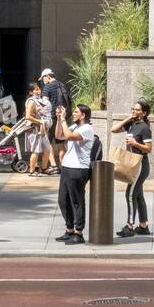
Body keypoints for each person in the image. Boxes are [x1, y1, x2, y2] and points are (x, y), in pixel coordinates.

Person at [55, 103, 96, 245]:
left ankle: (79, 232)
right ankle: (69, 229)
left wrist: (64, 120)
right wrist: (60, 119)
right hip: (67, 167)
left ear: (83, 115)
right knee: (63, 200)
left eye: (76, 112)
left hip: (78, 169)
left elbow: (69, 136)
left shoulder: (87, 129)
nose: (73, 113)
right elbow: (59, 135)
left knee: (77, 202)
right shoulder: (74, 126)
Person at [112, 101, 153, 238]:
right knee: (138, 196)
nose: (134, 111)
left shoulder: (144, 128)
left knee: (130, 195)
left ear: (144, 113)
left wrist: (135, 143)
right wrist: (129, 118)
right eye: (133, 109)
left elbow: (149, 148)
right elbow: (114, 129)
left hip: (140, 164)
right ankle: (143, 226)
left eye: (137, 110)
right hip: (132, 163)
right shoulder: (132, 124)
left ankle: (130, 226)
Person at [41, 68, 71, 173]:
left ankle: (53, 165)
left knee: (48, 142)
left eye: (43, 78)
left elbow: (45, 104)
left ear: (48, 76)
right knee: (60, 142)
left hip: (51, 117)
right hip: (62, 117)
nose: (43, 80)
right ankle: (63, 166)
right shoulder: (62, 85)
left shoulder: (47, 87)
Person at [24, 81, 51, 177]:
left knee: (47, 149)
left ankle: (44, 168)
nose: (39, 91)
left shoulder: (39, 100)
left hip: (42, 129)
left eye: (39, 89)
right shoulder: (31, 101)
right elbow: (28, 116)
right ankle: (32, 171)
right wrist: (40, 121)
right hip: (34, 129)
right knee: (36, 150)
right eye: (36, 90)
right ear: (31, 92)